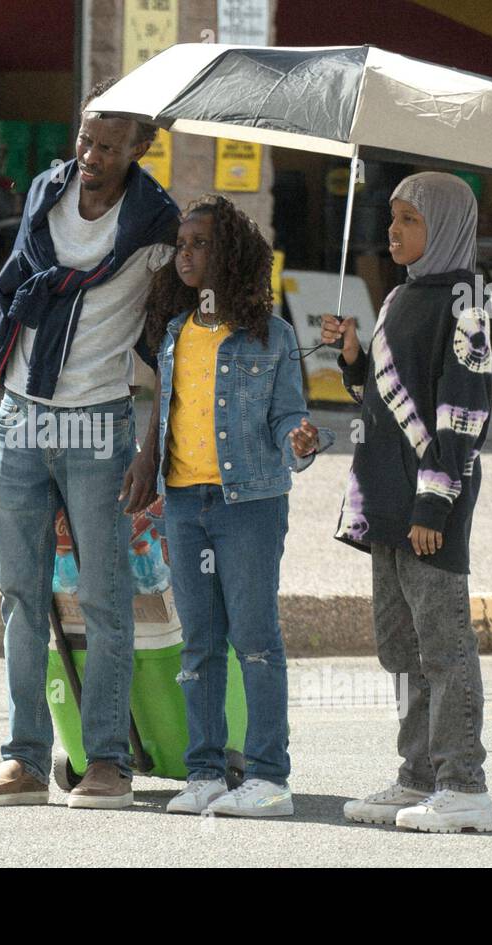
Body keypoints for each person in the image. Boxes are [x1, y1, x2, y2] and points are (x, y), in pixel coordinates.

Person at [0, 78, 179, 810]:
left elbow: (170, 345)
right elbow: (19, 287)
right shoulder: (45, 192)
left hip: (97, 427)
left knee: (106, 599)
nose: (90, 155)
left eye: (109, 145)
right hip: (22, 419)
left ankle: (108, 761)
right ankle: (23, 758)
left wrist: (152, 448)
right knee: (20, 595)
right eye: (85, 138)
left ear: (141, 148)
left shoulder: (155, 223)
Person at [124, 195, 329, 817]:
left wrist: (299, 441)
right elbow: (166, 409)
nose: (186, 254)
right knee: (200, 642)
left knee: (256, 638)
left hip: (251, 504)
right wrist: (144, 461)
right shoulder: (174, 334)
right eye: (181, 245)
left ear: (231, 254)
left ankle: (269, 777)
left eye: (200, 244)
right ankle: (205, 772)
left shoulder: (271, 336)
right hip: (185, 503)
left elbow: (289, 413)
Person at [322, 171, 492, 833]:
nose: (393, 231)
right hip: (387, 502)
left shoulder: (467, 306)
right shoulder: (403, 296)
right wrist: (352, 360)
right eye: (392, 217)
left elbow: (461, 416)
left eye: (410, 220)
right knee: (400, 649)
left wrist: (435, 506)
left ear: (447, 226)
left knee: (444, 648)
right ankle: (417, 775)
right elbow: (389, 401)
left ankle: (464, 786)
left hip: (430, 509)